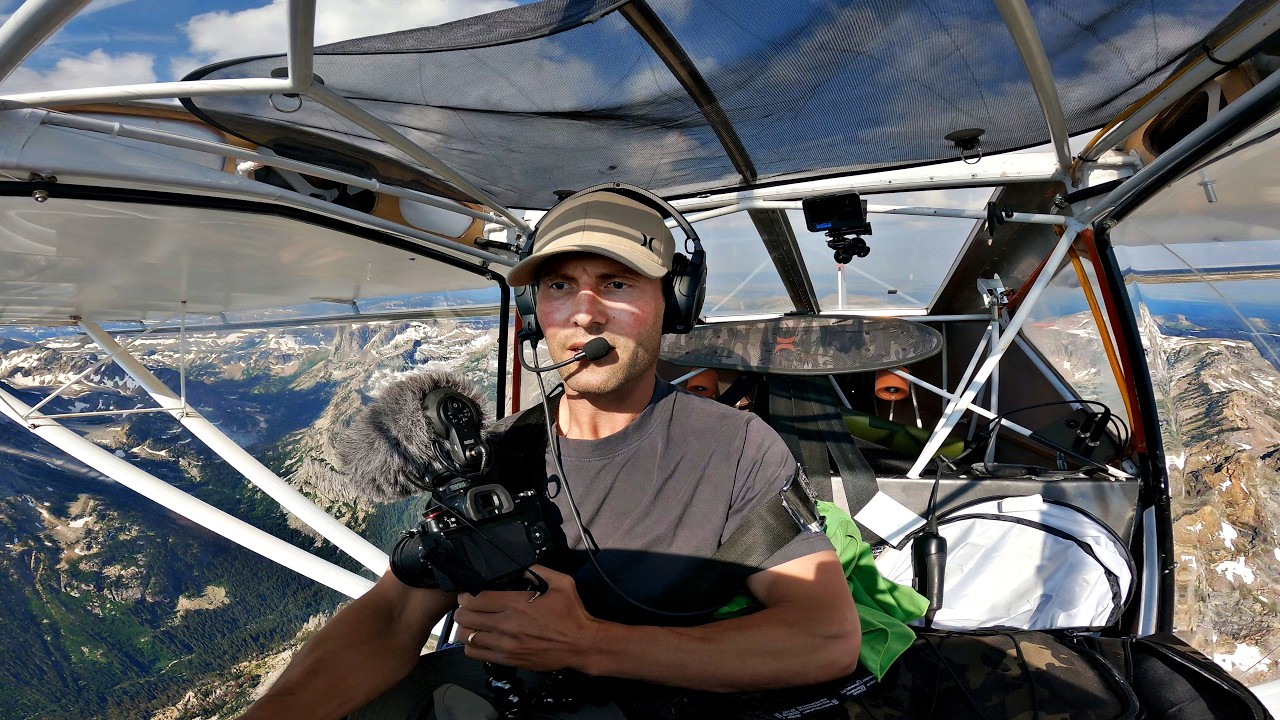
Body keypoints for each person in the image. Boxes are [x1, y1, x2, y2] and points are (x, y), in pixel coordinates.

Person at [238, 189, 860, 720]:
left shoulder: (735, 447)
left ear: (671, 303)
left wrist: (588, 643)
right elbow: (395, 615)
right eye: (560, 286)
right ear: (539, 313)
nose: (585, 314)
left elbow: (823, 638)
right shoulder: (492, 458)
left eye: (616, 284)